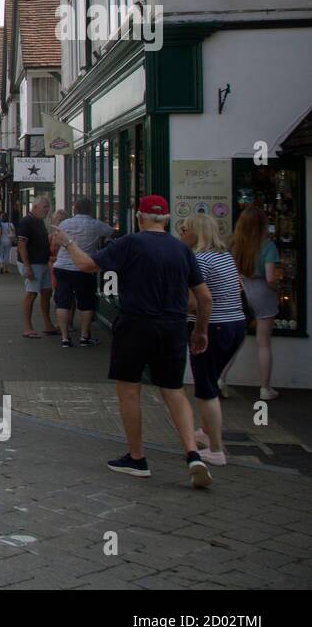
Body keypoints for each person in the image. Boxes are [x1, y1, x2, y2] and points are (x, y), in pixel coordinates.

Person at [56, 195, 214, 488]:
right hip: (173, 326)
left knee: (129, 390)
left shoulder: (130, 243)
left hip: (136, 324)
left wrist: (67, 242)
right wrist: (201, 330)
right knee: (174, 391)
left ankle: (137, 457)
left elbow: (87, 265)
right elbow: (204, 296)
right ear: (166, 219)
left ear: (140, 217)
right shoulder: (182, 249)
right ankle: (193, 454)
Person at [180, 213, 246, 466]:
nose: (181, 234)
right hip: (235, 325)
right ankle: (207, 432)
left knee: (206, 389)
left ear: (195, 233)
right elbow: (237, 290)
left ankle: (216, 450)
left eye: (184, 229)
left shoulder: (198, 261)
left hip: (211, 327)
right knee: (212, 382)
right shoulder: (225, 257)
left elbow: (194, 302)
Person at [231, 206, 280, 400]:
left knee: (235, 340)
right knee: (263, 343)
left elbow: (234, 274)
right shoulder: (268, 246)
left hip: (242, 289)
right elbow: (270, 277)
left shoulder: (236, 245)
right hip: (262, 291)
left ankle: (220, 380)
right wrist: (277, 288)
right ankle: (265, 388)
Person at [52, 197, 115, 347]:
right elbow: (112, 232)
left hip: (62, 266)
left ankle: (65, 338)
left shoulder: (65, 224)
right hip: (84, 267)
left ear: (75, 208)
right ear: (90, 209)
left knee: (63, 302)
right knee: (86, 302)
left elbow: (55, 242)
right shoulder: (96, 225)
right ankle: (85, 337)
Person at [18, 197, 58, 338]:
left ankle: (48, 324)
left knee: (47, 291)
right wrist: (27, 267)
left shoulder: (39, 221)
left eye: (48, 207)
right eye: (44, 207)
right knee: (32, 293)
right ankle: (28, 328)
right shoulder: (26, 222)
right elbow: (21, 245)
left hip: (42, 262)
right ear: (35, 207)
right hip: (33, 263)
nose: (47, 210)